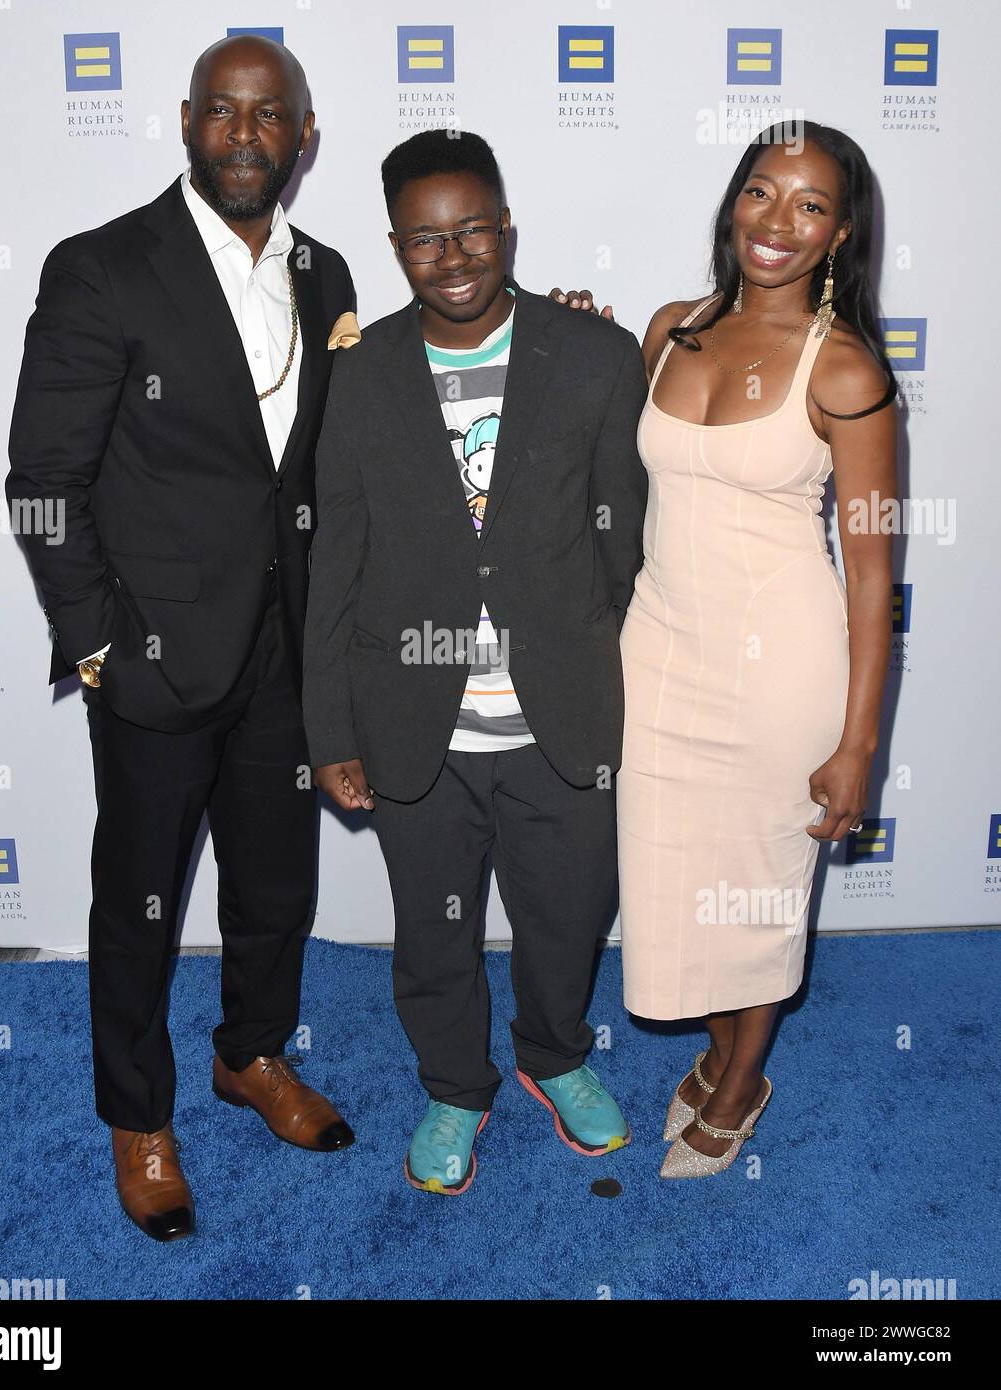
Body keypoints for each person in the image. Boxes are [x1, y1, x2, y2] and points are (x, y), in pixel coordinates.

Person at [6, 34, 359, 1241]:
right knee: (141, 898)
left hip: (287, 653)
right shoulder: (103, 268)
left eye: (270, 117)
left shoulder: (326, 275)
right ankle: (137, 1114)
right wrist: (97, 646)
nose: (245, 136)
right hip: (152, 652)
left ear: (303, 135)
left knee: (275, 883)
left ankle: (250, 1055)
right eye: (223, 113)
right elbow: (44, 482)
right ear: (185, 121)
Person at [302, 129, 649, 1194]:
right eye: (422, 240)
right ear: (395, 247)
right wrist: (330, 732)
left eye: (471, 231)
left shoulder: (593, 352)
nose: (451, 257)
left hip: (561, 720)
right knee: (433, 933)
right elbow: (335, 568)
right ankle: (454, 1083)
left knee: (563, 915)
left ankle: (554, 1055)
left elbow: (626, 548)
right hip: (417, 723)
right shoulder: (359, 377)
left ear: (506, 228)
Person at [616, 121, 897, 1178]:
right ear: (730, 201)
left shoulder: (843, 371)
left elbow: (869, 574)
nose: (777, 223)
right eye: (760, 193)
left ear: (839, 234)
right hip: (658, 652)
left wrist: (857, 744)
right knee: (681, 877)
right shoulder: (669, 329)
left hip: (776, 669)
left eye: (809, 205)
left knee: (759, 886)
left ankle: (739, 1081)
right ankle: (715, 1041)